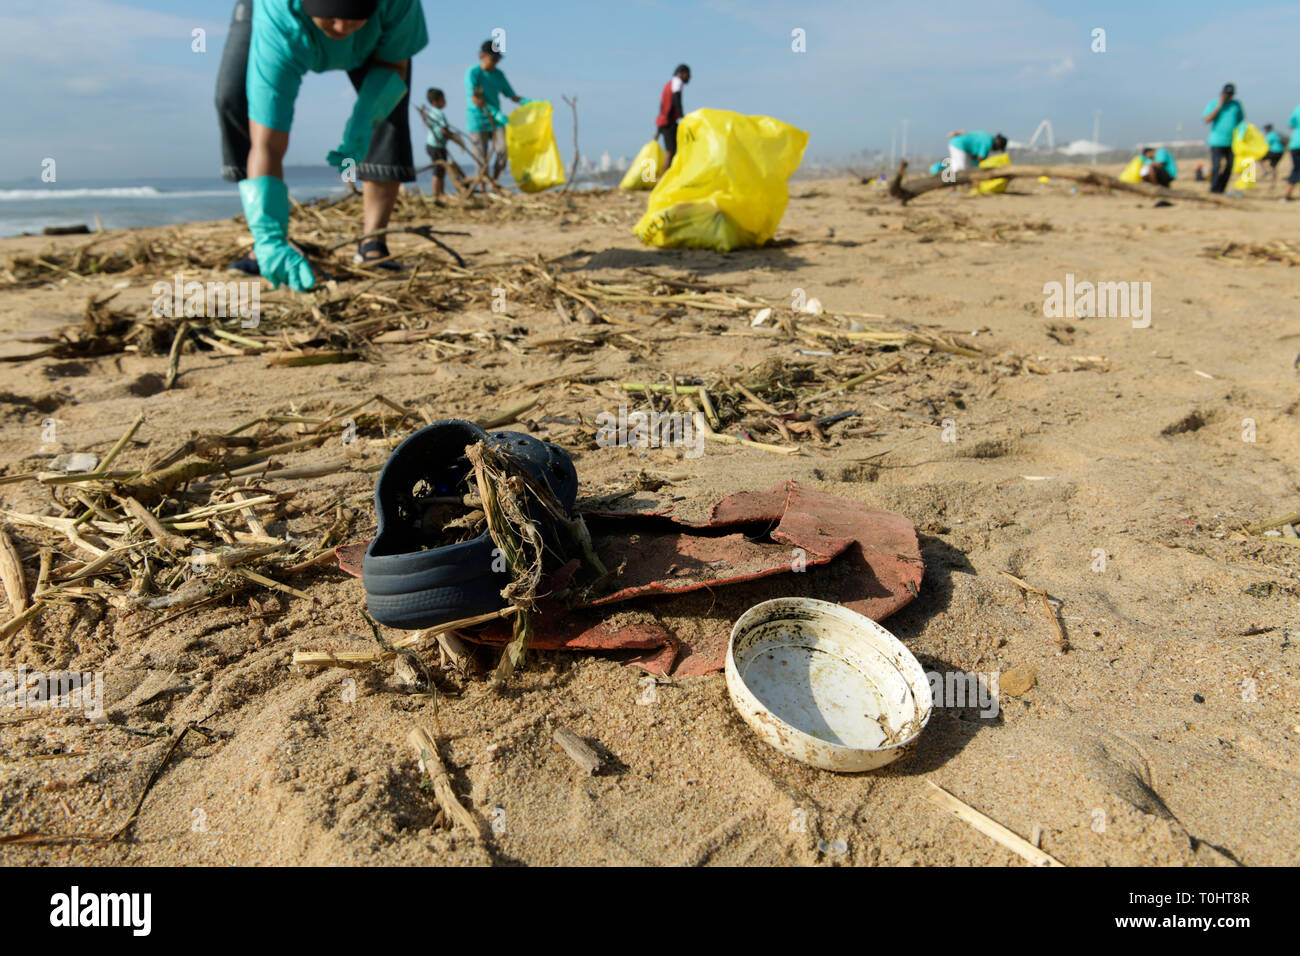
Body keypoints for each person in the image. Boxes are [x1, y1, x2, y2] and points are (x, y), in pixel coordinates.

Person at [215, 0, 427, 287]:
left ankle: (372, 240)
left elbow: (393, 64)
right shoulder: (278, 17)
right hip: (285, 23)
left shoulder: (399, 5)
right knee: (233, 99)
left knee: (390, 109)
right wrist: (270, 240)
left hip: (373, 40)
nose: (341, 27)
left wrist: (367, 117)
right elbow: (268, 143)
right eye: (331, 17)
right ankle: (265, 240)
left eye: (354, 15)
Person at [465, 39, 524, 182]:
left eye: (497, 59)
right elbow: (476, 99)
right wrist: (493, 112)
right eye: (492, 59)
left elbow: (511, 95)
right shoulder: (473, 74)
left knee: (503, 151)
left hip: (497, 121)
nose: (495, 63)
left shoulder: (499, 75)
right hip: (477, 120)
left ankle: (494, 182)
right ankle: (483, 187)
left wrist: (526, 102)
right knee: (480, 157)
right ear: (482, 56)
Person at [1202, 82, 1244, 194]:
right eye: (1226, 94)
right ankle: (1214, 189)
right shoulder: (1214, 103)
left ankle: (1221, 189)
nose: (1228, 96)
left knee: (1230, 166)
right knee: (1217, 166)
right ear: (1222, 93)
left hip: (1232, 141)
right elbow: (1206, 119)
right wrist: (1219, 106)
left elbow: (1241, 120)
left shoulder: (1236, 105)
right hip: (1217, 141)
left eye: (1230, 94)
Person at [417, 88, 458, 198]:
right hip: (436, 146)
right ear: (435, 102)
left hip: (433, 145)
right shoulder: (439, 114)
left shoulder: (431, 113)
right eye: (443, 99)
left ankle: (441, 192)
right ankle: (437, 193)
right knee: (438, 170)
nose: (445, 101)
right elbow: (444, 130)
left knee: (442, 170)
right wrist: (453, 137)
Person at [655, 65, 691, 169]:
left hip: (664, 121)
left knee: (672, 151)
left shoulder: (669, 85)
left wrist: (659, 129)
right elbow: (676, 101)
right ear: (681, 73)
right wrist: (682, 117)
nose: (689, 78)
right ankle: (663, 178)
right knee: (671, 152)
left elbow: (663, 106)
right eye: (687, 75)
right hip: (669, 122)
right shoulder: (677, 83)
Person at [944, 130, 1009, 173]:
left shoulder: (986, 136)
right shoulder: (988, 142)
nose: (997, 150)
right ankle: (954, 188)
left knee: (965, 168)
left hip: (959, 144)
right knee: (960, 168)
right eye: (999, 148)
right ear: (998, 143)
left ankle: (959, 187)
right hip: (959, 145)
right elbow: (980, 158)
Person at [1284, 103, 1300, 203]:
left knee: (1296, 169)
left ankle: (1287, 195)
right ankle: (1287, 195)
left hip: (1295, 143)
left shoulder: (1297, 109)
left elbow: (1291, 124)